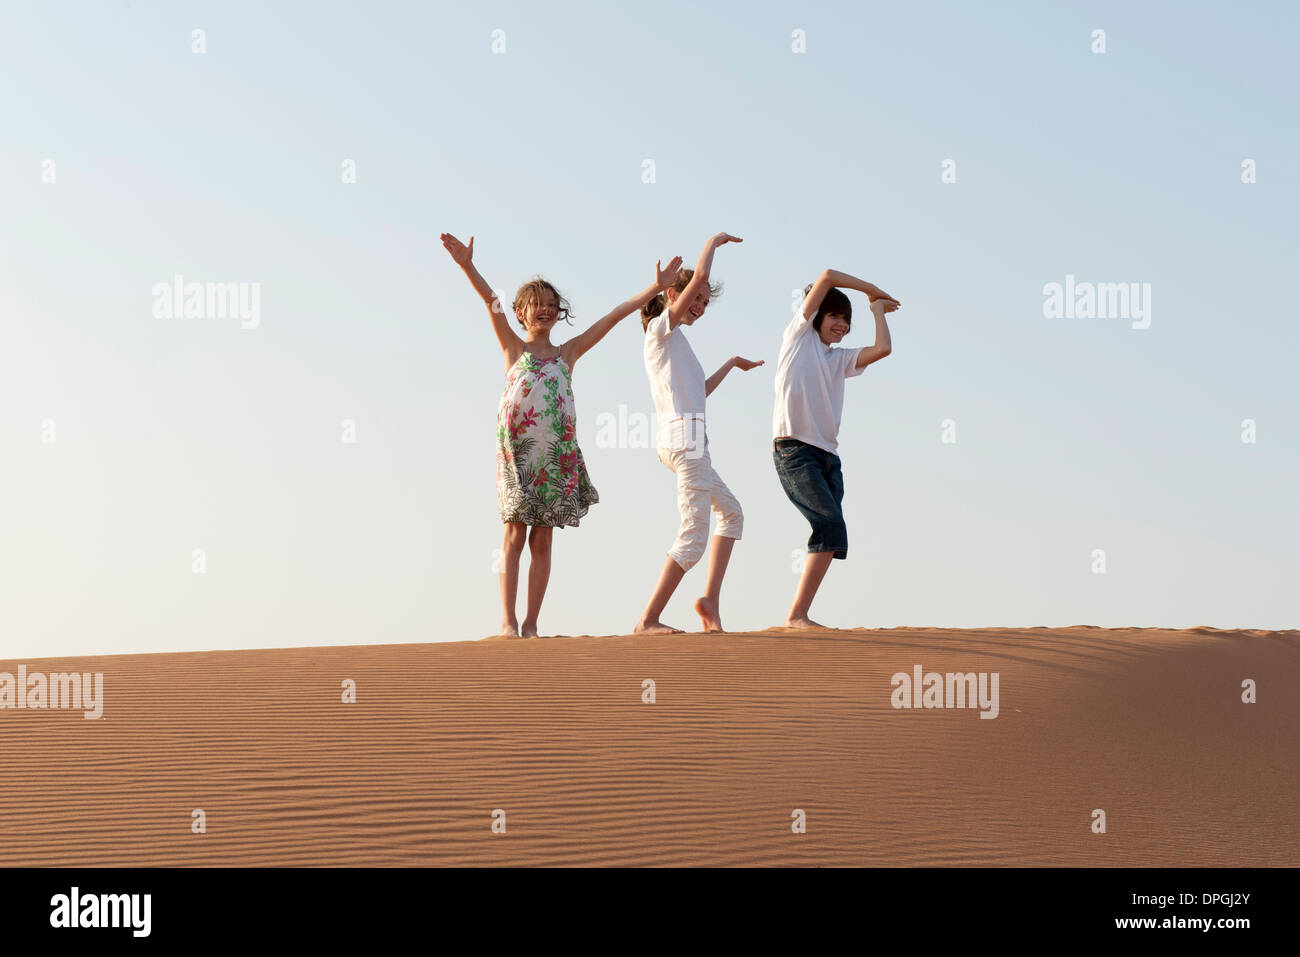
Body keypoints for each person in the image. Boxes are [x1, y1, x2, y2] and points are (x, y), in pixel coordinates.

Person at [442, 232, 682, 638]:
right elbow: (490, 301)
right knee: (514, 533)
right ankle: (507, 621)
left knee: (543, 540)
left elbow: (614, 315)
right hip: (517, 453)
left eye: (552, 306)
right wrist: (467, 265)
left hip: (555, 453)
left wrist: (655, 289)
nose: (545, 311)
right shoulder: (512, 349)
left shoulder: (567, 353)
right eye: (537, 305)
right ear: (521, 311)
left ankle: (532, 624)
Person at [634, 232, 763, 634]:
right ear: (673, 295)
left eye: (705, 302)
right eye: (696, 297)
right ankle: (648, 620)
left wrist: (731, 364)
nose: (701, 305)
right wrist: (712, 242)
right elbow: (701, 273)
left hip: (692, 441)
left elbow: (701, 391)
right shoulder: (660, 330)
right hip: (683, 440)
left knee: (732, 513)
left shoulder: (679, 345)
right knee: (693, 534)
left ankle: (709, 601)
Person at [772, 269, 900, 628]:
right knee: (829, 526)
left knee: (833, 534)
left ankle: (799, 614)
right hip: (795, 450)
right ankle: (796, 616)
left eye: (846, 320)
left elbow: (883, 349)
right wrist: (871, 286)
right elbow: (827, 275)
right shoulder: (798, 338)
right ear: (817, 317)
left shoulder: (838, 359)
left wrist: (876, 309)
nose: (841, 325)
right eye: (834, 317)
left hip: (828, 457)